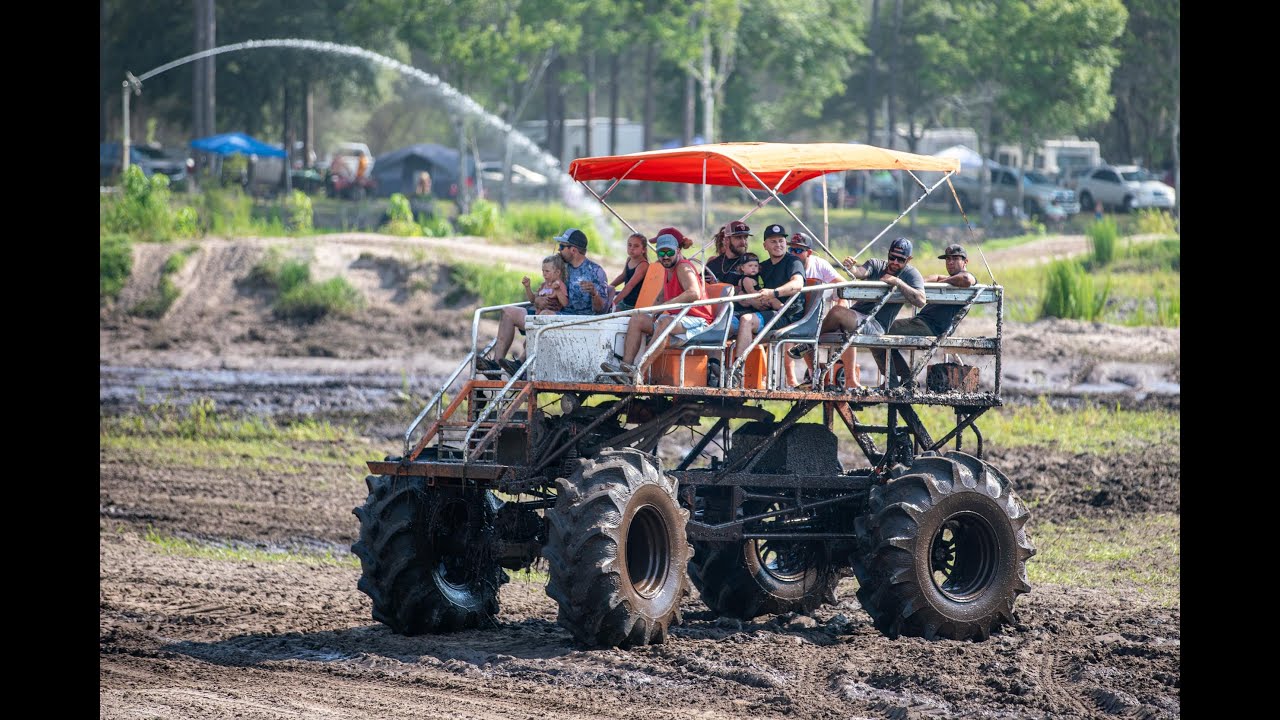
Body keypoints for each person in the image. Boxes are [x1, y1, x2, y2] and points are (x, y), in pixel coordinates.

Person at [479, 228, 609, 375]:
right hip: (552, 314)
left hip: (577, 321)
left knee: (545, 316)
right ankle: (495, 366)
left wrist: (594, 293)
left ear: (573, 250)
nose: (559, 250)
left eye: (562, 246)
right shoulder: (560, 265)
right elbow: (545, 288)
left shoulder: (595, 271)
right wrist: (539, 300)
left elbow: (601, 310)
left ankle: (521, 363)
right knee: (508, 312)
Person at [602, 232, 714, 382]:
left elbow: (694, 293)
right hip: (678, 318)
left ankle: (639, 371)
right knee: (637, 319)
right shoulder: (668, 269)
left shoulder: (683, 266)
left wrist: (666, 306)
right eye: (661, 252)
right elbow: (662, 296)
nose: (665, 256)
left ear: (678, 251)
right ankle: (625, 368)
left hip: (698, 320)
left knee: (665, 322)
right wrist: (652, 312)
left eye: (669, 252)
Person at [880, 243, 977, 386]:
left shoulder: (966, 279)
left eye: (955, 258)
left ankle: (901, 379)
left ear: (965, 262)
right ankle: (900, 379)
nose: (950, 262)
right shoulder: (951, 280)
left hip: (931, 328)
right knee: (881, 330)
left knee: (879, 331)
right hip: (921, 322)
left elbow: (966, 280)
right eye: (947, 259)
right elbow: (936, 277)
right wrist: (917, 283)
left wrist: (943, 282)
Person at [840, 237, 927, 386]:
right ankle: (898, 382)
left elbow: (921, 300)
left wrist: (897, 282)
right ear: (888, 254)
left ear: (909, 259)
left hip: (876, 325)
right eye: (892, 257)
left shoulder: (910, 274)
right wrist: (851, 268)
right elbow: (860, 272)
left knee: (838, 313)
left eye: (900, 259)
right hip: (860, 319)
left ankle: (899, 381)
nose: (894, 262)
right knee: (838, 314)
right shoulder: (875, 264)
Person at [782, 232, 864, 389]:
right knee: (794, 328)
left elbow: (844, 286)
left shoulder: (819, 265)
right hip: (800, 316)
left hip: (824, 315)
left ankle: (851, 379)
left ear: (809, 253)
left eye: (798, 251)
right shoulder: (786, 265)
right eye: (791, 250)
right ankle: (796, 378)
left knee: (846, 328)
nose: (793, 254)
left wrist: (841, 305)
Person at [729, 224, 805, 374]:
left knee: (747, 320)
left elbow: (798, 283)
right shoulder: (762, 267)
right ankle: (713, 369)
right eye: (773, 241)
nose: (778, 245)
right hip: (766, 312)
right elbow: (747, 287)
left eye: (781, 241)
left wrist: (774, 293)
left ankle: (736, 371)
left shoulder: (793, 262)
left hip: (787, 314)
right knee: (726, 322)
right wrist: (747, 298)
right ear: (765, 245)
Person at [610, 232, 650, 312]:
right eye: (629, 245)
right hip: (625, 300)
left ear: (643, 250)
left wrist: (614, 302)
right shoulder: (629, 259)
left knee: (610, 313)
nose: (632, 248)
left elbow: (630, 285)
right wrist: (609, 287)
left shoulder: (643, 265)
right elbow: (623, 276)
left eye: (636, 246)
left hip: (634, 305)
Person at [704, 220, 753, 285]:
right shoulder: (713, 264)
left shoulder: (751, 264)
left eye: (745, 237)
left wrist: (719, 285)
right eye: (738, 238)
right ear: (727, 240)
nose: (743, 242)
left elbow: (751, 290)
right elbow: (700, 286)